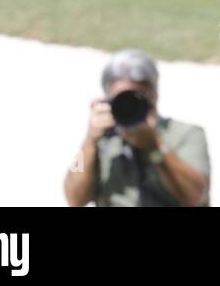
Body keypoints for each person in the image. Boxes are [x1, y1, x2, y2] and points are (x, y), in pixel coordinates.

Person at [63, 49, 210, 207]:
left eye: (136, 99)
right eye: (121, 100)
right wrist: (89, 141)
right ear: (108, 100)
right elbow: (74, 199)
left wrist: (155, 147)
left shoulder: (185, 134)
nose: (129, 107)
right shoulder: (101, 140)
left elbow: (195, 197)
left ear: (154, 96)